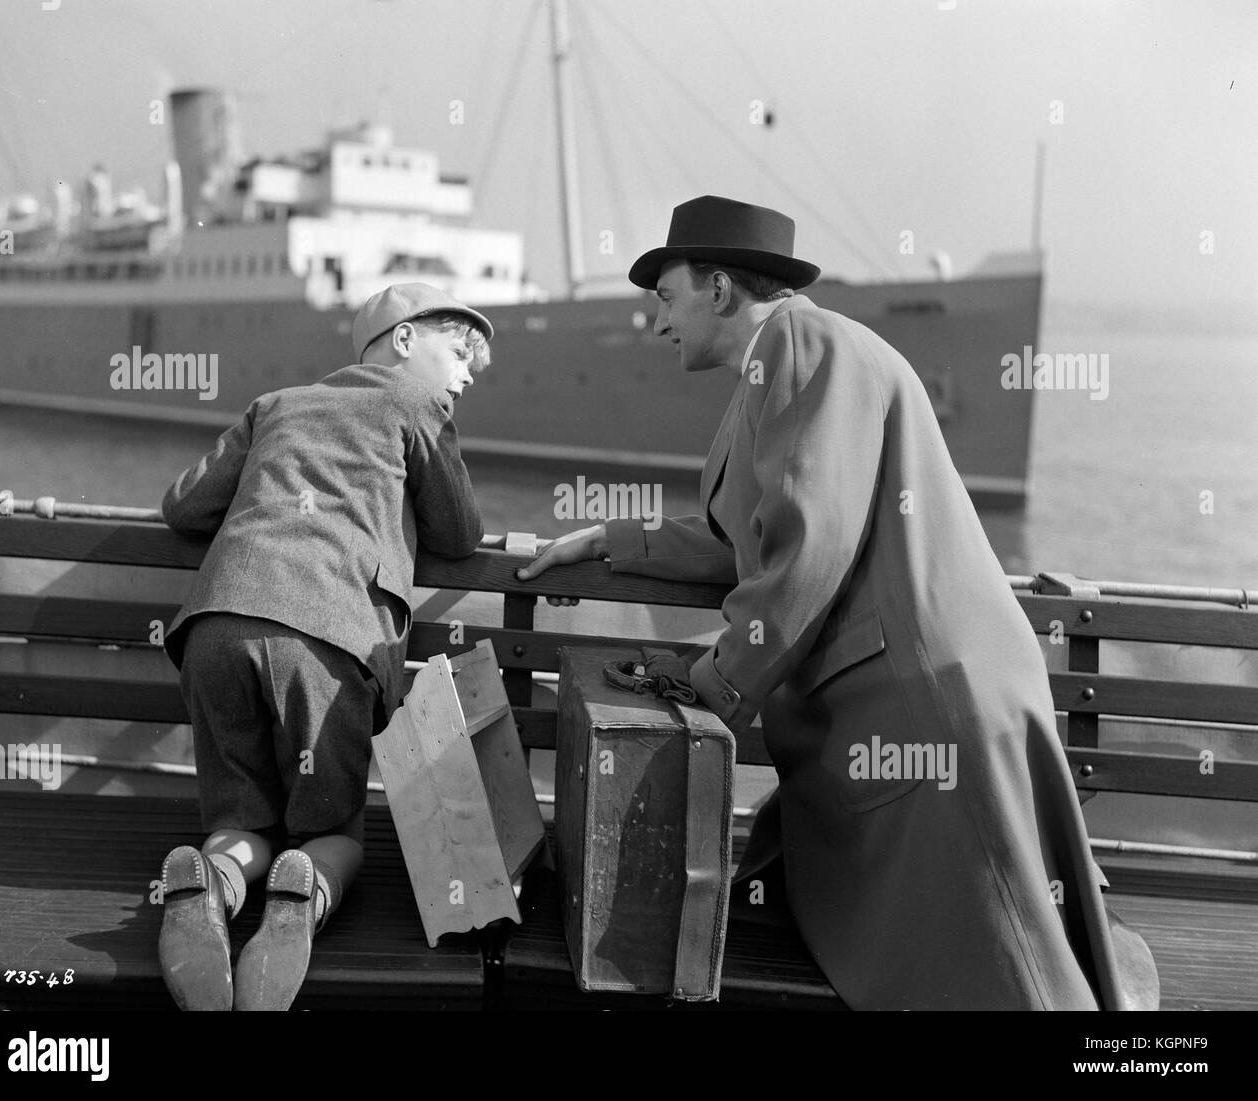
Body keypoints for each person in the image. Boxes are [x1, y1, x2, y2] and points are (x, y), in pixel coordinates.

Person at [516, 195, 1156, 1010]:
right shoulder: (775, 369)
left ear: (718, 288)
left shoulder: (799, 341)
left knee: (1006, 977)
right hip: (905, 704)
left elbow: (808, 547)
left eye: (665, 294)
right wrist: (613, 539)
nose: (656, 320)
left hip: (920, 708)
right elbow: (747, 539)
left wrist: (712, 681)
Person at [156, 283, 490, 1010]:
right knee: (331, 831)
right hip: (330, 646)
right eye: (458, 355)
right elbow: (460, 534)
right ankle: (303, 891)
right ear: (403, 342)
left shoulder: (276, 403)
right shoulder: (414, 406)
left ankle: (212, 881)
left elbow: (183, 506)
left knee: (240, 822)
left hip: (216, 626)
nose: (465, 377)